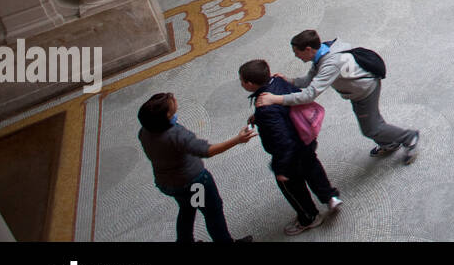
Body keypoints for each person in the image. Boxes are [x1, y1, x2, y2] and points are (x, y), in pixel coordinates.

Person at [257, 30, 420, 164]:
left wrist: (275, 99)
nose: (296, 56)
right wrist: (289, 80)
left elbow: (309, 95)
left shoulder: (330, 63)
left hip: (365, 91)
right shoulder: (323, 52)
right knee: (373, 122)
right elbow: (308, 80)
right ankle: (388, 142)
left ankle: (409, 137)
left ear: (307, 49)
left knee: (371, 128)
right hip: (360, 89)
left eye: (297, 52)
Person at [239, 59, 341, 236]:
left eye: (241, 80)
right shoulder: (278, 81)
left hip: (292, 152)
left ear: (249, 83)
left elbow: (283, 141)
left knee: (293, 186)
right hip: (306, 139)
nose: (241, 83)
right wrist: (258, 117)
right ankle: (329, 197)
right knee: (313, 169)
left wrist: (281, 168)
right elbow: (289, 101)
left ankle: (309, 217)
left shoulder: (265, 109)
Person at [137, 91, 254, 243]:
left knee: (187, 209)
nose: (173, 98)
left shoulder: (145, 132)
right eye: (171, 102)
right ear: (166, 116)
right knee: (212, 212)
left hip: (168, 183)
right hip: (194, 183)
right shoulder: (176, 135)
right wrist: (238, 139)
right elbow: (207, 151)